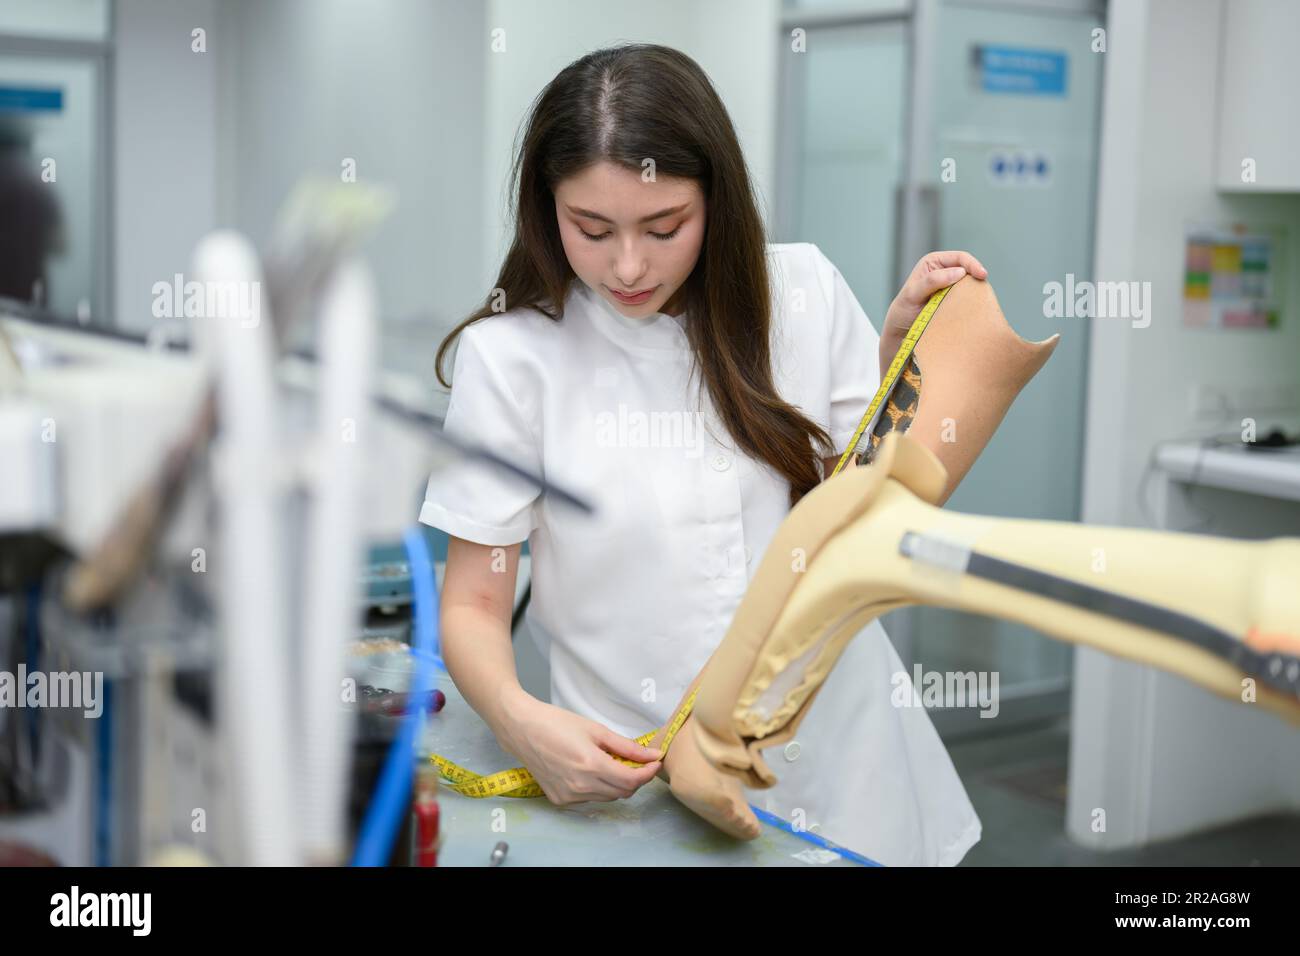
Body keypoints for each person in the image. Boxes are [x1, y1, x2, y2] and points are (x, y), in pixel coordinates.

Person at [420, 43, 983, 865]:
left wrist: (897, 360)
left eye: (664, 226)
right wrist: (518, 719)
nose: (629, 266)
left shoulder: (802, 294)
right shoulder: (512, 359)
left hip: (849, 764)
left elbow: (868, 515)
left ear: (716, 200)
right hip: (640, 788)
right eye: (591, 228)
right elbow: (473, 600)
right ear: (547, 210)